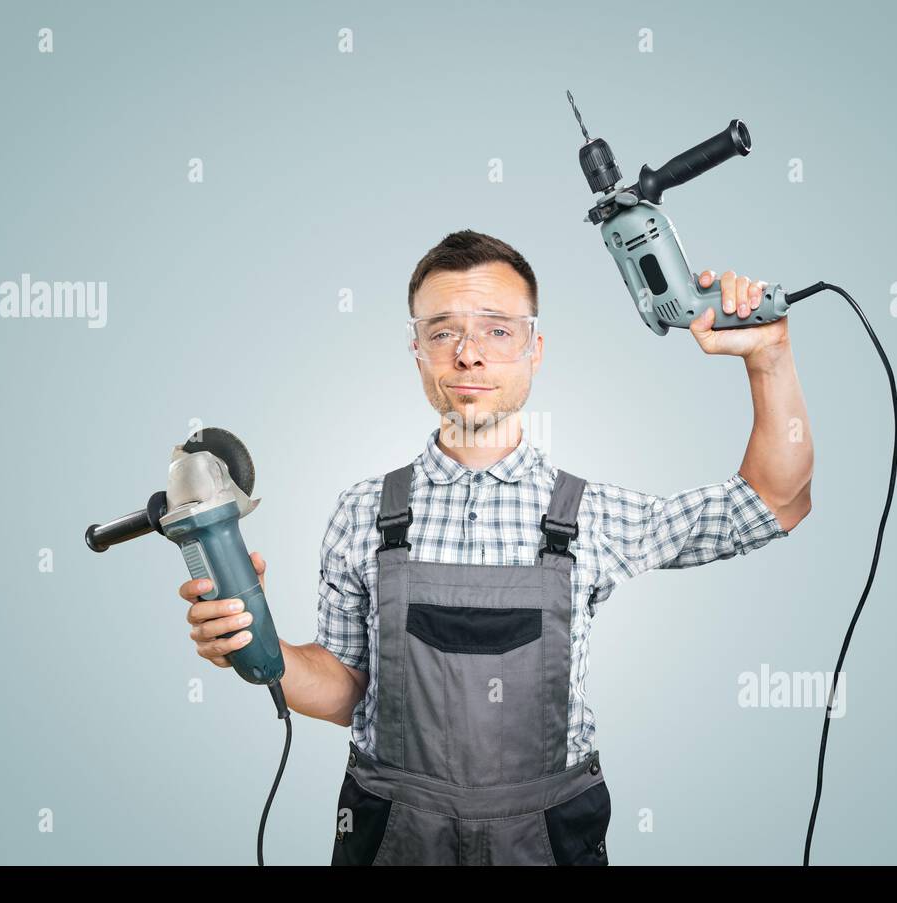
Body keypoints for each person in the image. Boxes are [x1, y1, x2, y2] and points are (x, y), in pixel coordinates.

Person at [178, 230, 813, 865]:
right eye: (442, 332)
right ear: (417, 350)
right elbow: (348, 690)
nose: (469, 355)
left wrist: (769, 355)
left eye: (497, 331)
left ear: (536, 349)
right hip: (393, 832)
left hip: (545, 836)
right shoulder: (363, 512)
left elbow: (776, 503)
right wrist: (256, 647)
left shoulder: (594, 514)